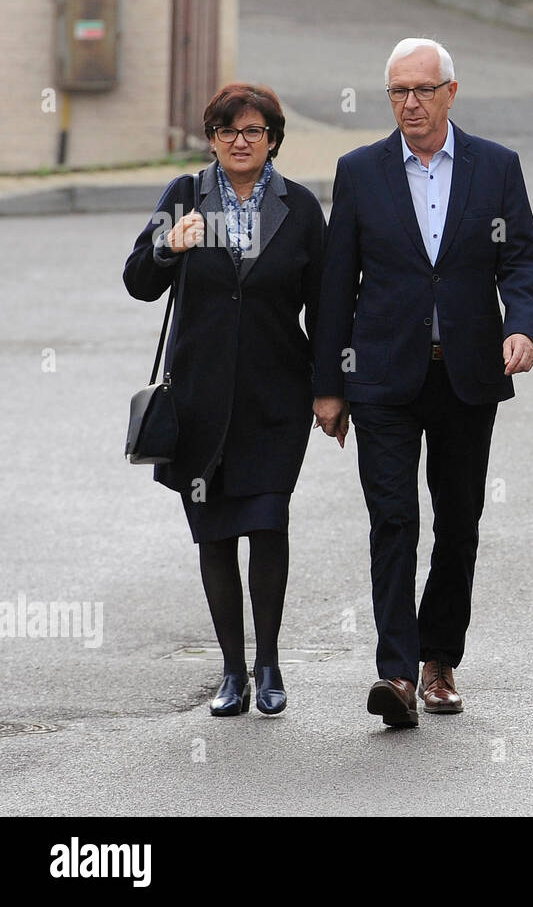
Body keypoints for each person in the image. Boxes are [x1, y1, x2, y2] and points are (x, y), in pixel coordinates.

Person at [312, 37, 533, 727]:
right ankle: (397, 673)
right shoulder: (360, 171)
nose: (408, 104)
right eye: (396, 92)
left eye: (421, 90)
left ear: (450, 91)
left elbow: (523, 260)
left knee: (458, 522)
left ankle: (439, 659)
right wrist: (329, 385)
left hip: (467, 375)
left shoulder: (496, 167)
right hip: (382, 377)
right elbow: (336, 286)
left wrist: (523, 325)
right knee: (393, 519)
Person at [123, 83, 326, 717]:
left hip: (275, 399)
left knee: (267, 524)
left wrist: (329, 391)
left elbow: (323, 308)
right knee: (213, 533)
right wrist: (168, 246)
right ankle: (232, 672)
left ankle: (268, 665)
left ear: (272, 141)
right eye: (228, 132)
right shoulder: (185, 197)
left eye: (254, 131)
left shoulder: (299, 208)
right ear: (211, 139)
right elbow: (137, 281)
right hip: (201, 399)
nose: (241, 142)